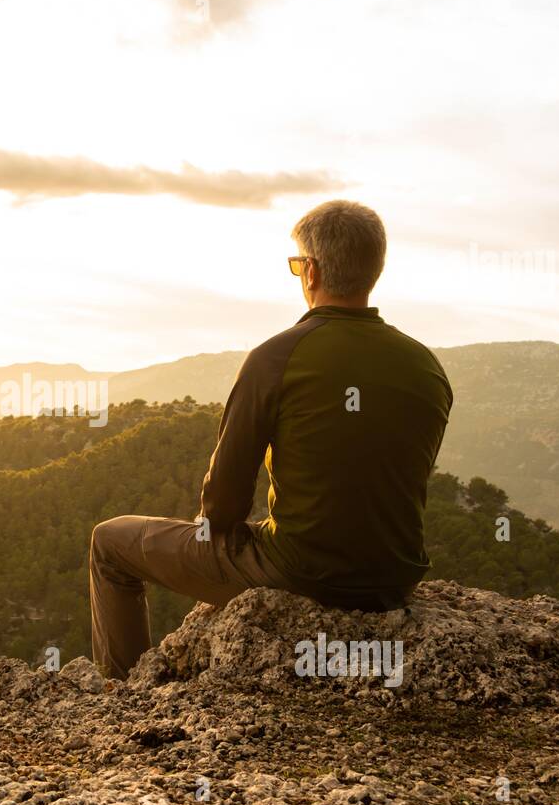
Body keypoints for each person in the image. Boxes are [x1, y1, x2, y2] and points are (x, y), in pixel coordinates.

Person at [89, 200, 453, 680]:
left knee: (110, 542)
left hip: (301, 573)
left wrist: (218, 532)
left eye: (297, 264)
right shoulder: (427, 367)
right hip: (395, 578)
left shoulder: (276, 358)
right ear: (373, 270)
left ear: (311, 271)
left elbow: (223, 504)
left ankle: (121, 693)